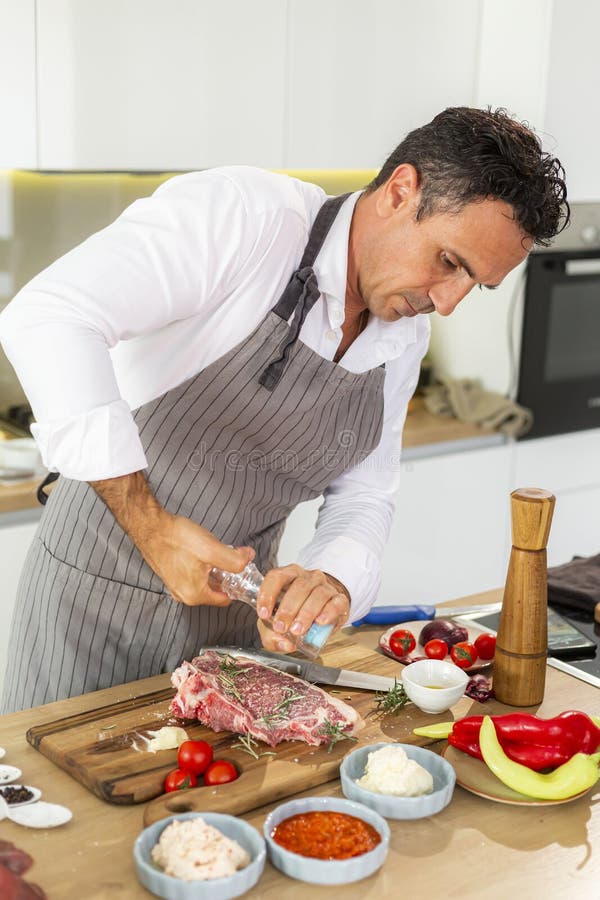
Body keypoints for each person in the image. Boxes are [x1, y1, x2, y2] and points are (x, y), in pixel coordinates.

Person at [0, 106, 568, 712]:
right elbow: (48, 317)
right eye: (449, 262)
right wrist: (152, 526)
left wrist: (330, 581)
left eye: (474, 284)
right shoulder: (243, 217)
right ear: (401, 192)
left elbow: (365, 495)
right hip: (90, 600)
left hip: (232, 624)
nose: (448, 303)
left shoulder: (403, 337)